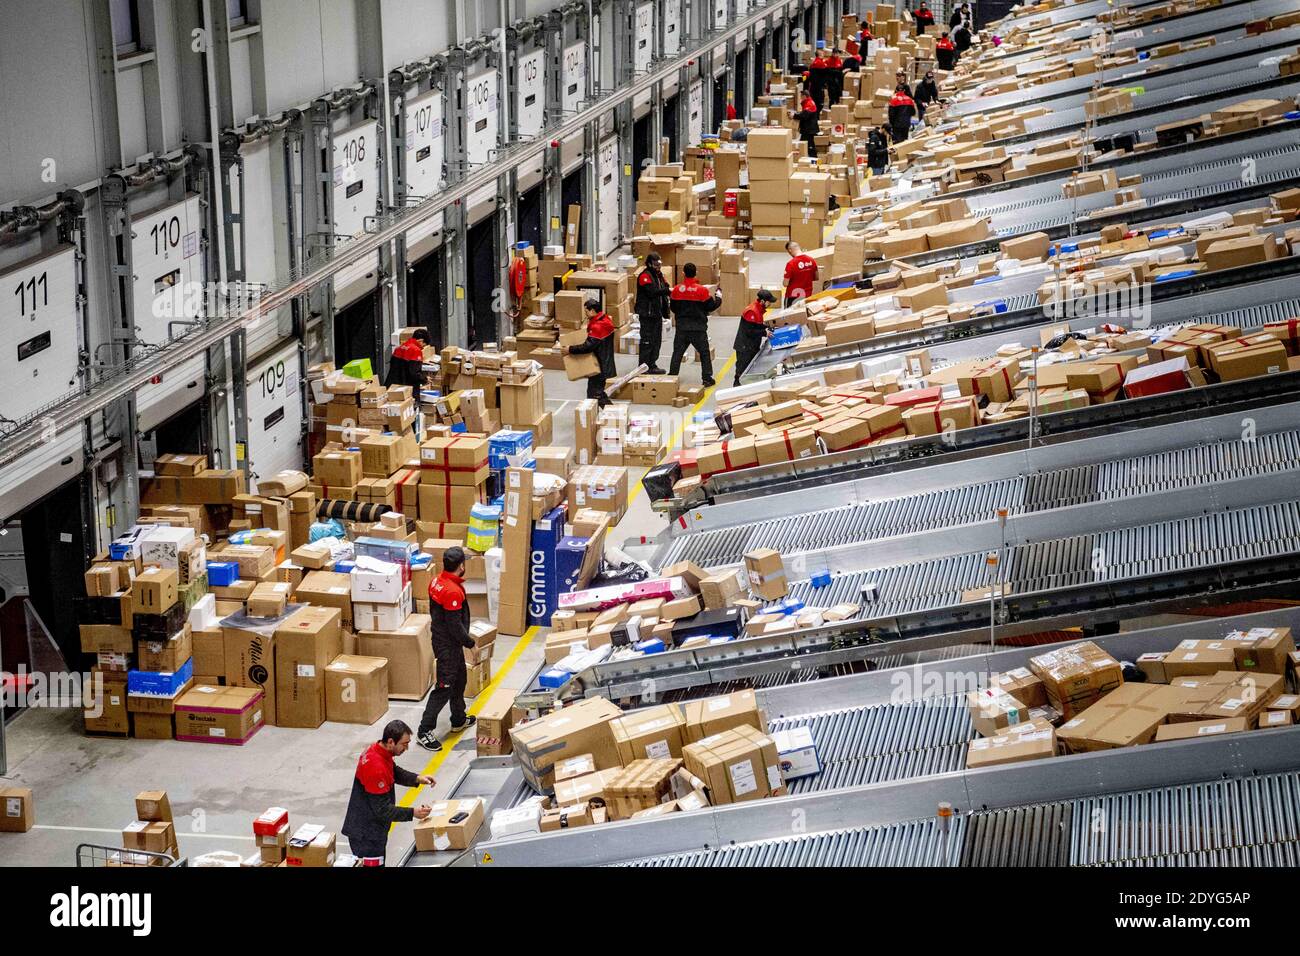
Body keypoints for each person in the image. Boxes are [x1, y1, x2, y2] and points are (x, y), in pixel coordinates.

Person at [342, 719, 434, 866]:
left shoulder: (378, 750)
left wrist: (417, 779)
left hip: (373, 829)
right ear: (391, 742)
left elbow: (392, 771)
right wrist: (413, 813)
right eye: (404, 744)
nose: (407, 748)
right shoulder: (375, 767)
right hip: (367, 835)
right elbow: (383, 810)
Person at [416, 548, 478, 751]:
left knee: (460, 680)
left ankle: (458, 719)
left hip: (447, 641)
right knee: (443, 688)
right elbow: (454, 626)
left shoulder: (436, 581)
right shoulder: (452, 591)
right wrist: (471, 644)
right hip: (448, 646)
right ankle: (424, 731)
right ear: (461, 566)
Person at [668, 262, 723, 388]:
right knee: (704, 353)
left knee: (677, 353)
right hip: (698, 329)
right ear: (696, 273)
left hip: (682, 328)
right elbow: (711, 306)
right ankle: (707, 378)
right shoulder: (702, 291)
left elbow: (673, 308)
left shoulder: (677, 290)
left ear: (683, 273)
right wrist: (719, 297)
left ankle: (672, 378)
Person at [565, 298, 618, 407]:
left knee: (595, 395)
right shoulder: (605, 320)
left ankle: (613, 415)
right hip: (602, 363)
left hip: (599, 365)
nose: (586, 314)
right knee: (597, 393)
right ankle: (608, 415)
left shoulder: (598, 327)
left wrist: (569, 349)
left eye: (586, 312)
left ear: (593, 311)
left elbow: (588, 347)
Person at [634, 253, 671, 374]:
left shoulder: (658, 275)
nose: (658, 267)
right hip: (647, 314)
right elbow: (652, 292)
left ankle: (652, 364)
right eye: (656, 265)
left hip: (656, 313)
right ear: (649, 264)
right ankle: (643, 366)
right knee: (647, 340)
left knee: (656, 340)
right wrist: (666, 290)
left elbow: (666, 285)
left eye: (659, 264)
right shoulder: (645, 276)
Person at [732, 289, 778, 386]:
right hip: (745, 347)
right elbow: (750, 331)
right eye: (769, 302)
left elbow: (757, 326)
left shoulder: (758, 309)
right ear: (762, 301)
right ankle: (736, 389)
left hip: (751, 346)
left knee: (750, 370)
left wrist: (768, 328)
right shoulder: (752, 311)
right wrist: (765, 332)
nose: (770, 304)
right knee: (741, 371)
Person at [783, 241, 819, 308]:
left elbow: (785, 284)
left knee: (789, 316)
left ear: (790, 250)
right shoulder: (811, 260)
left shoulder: (791, 263)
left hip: (793, 297)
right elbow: (816, 277)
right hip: (807, 295)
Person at [795, 85, 821, 158]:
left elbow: (804, 115)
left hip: (809, 129)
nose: (800, 98)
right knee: (806, 144)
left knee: (808, 144)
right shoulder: (808, 102)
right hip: (808, 129)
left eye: (801, 96)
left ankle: (813, 158)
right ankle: (806, 157)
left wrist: (794, 116)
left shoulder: (809, 103)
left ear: (804, 96)